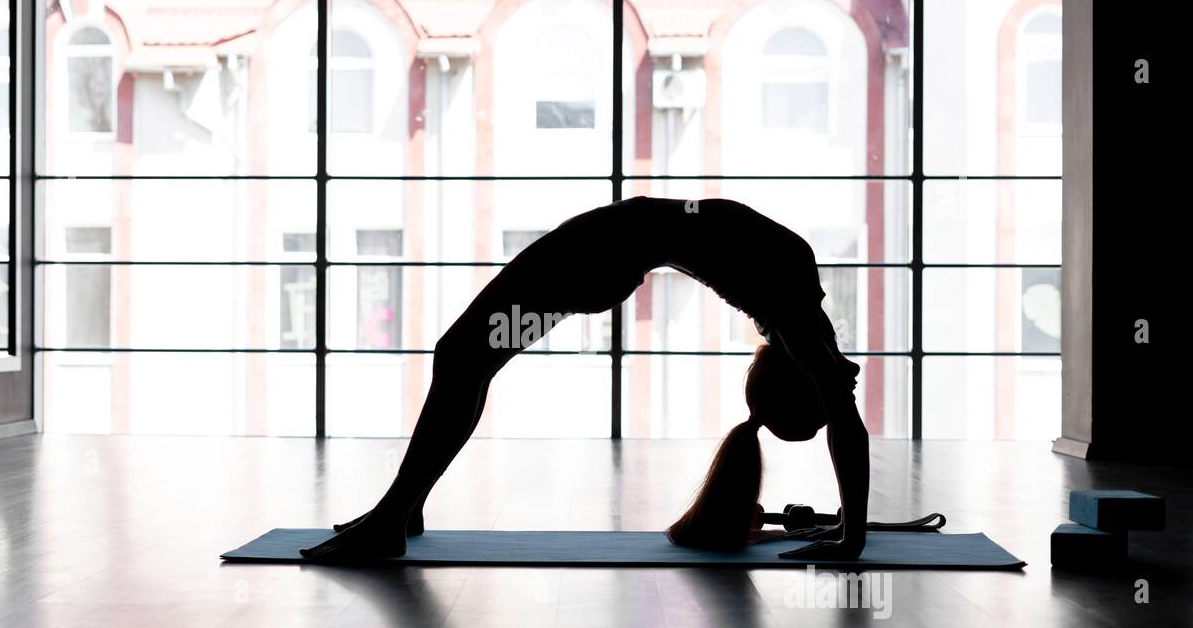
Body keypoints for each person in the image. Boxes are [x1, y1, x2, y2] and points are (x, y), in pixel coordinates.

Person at [302, 195, 868, 563]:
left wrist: (853, 537)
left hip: (598, 254)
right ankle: (405, 507)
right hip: (604, 254)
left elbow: (844, 416)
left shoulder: (798, 320)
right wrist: (851, 525)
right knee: (467, 358)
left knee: (461, 355)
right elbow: (839, 405)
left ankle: (393, 518)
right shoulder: (801, 318)